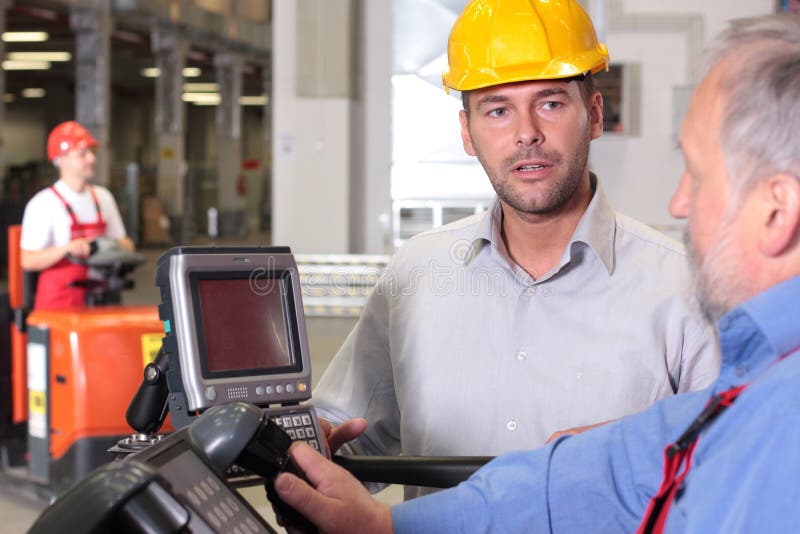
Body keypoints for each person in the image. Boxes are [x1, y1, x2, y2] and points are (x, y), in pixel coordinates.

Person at [271, 13, 800, 532]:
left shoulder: (685, 286)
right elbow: (351, 444)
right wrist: (310, 453)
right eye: (497, 110)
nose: (526, 134)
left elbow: (708, 465)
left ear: (593, 114)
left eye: (549, 103)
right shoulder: (417, 274)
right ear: (467, 131)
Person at [20, 120, 134, 310]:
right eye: (82, 154)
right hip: (60, 305)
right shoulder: (44, 203)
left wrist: (114, 246)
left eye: (91, 152)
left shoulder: (103, 197)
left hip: (102, 300)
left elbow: (125, 243)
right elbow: (28, 260)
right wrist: (67, 249)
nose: (91, 158)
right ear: (61, 159)